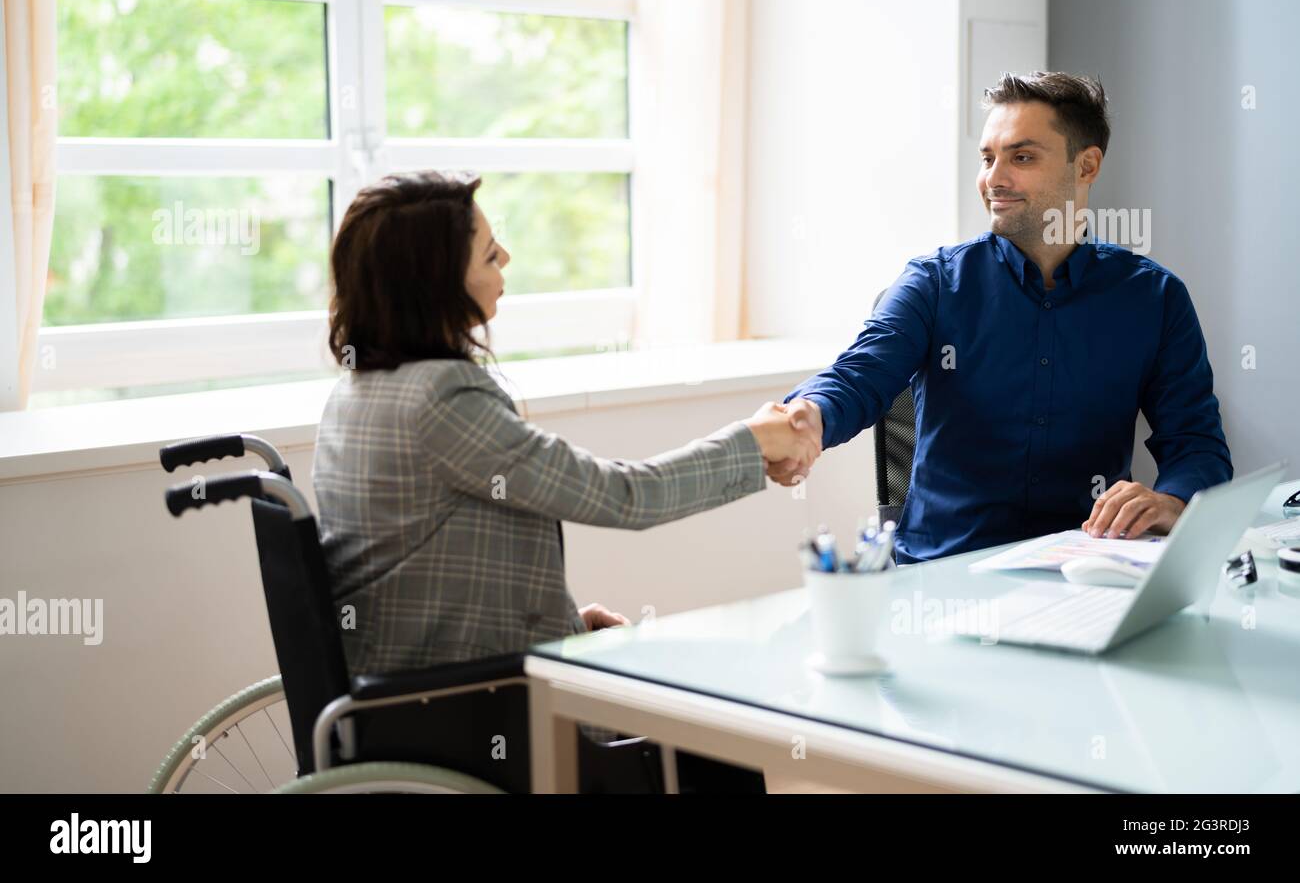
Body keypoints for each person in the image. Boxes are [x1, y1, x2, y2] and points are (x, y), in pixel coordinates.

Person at [312, 169, 818, 792]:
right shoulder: (442, 399)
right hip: (475, 715)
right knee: (716, 727)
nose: (507, 259)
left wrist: (564, 625)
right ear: (436, 282)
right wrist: (751, 440)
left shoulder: (355, 394)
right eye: (489, 252)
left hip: (403, 701)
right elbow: (625, 495)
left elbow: (421, 565)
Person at [770, 71, 1232, 563]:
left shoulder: (1154, 298)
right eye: (988, 158)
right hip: (945, 579)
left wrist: (1172, 500)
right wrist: (808, 415)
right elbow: (859, 376)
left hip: (1082, 572)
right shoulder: (933, 283)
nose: (994, 178)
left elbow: (1196, 443)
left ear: (1087, 165)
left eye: (1022, 157)